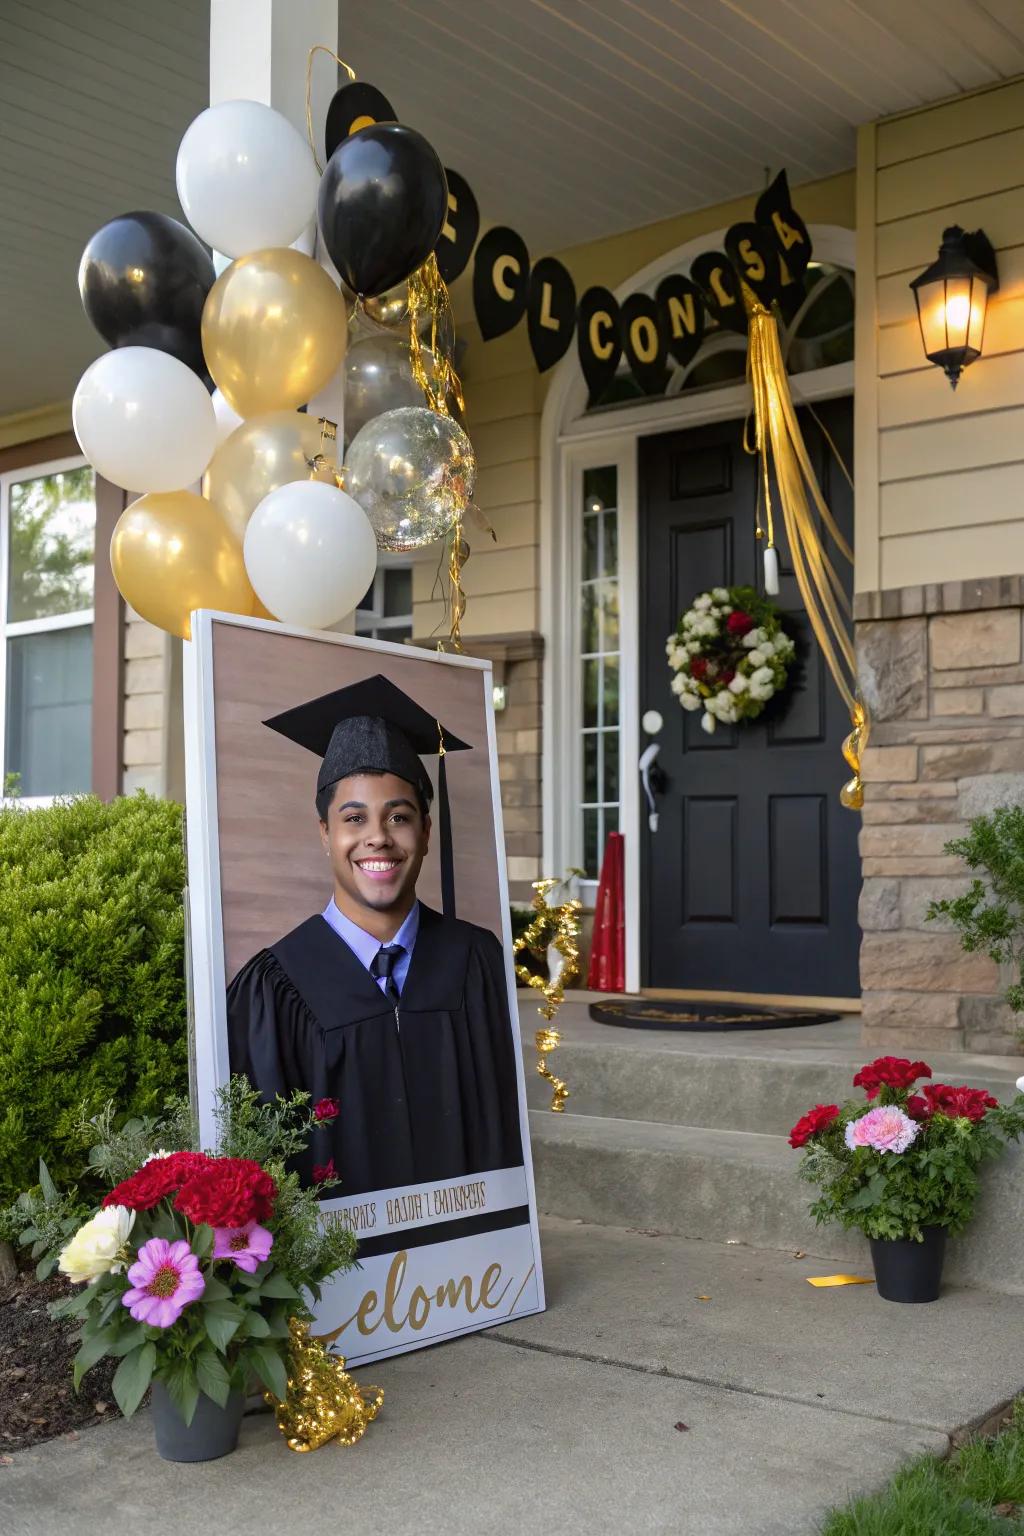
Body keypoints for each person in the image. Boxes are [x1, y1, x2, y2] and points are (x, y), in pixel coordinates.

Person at [227, 673, 524, 1199]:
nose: (378, 838)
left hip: (470, 1276)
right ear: (326, 834)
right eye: (354, 818)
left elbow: (504, 1132)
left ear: (426, 833)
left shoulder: (475, 962)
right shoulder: (275, 988)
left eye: (399, 817)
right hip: (339, 1278)